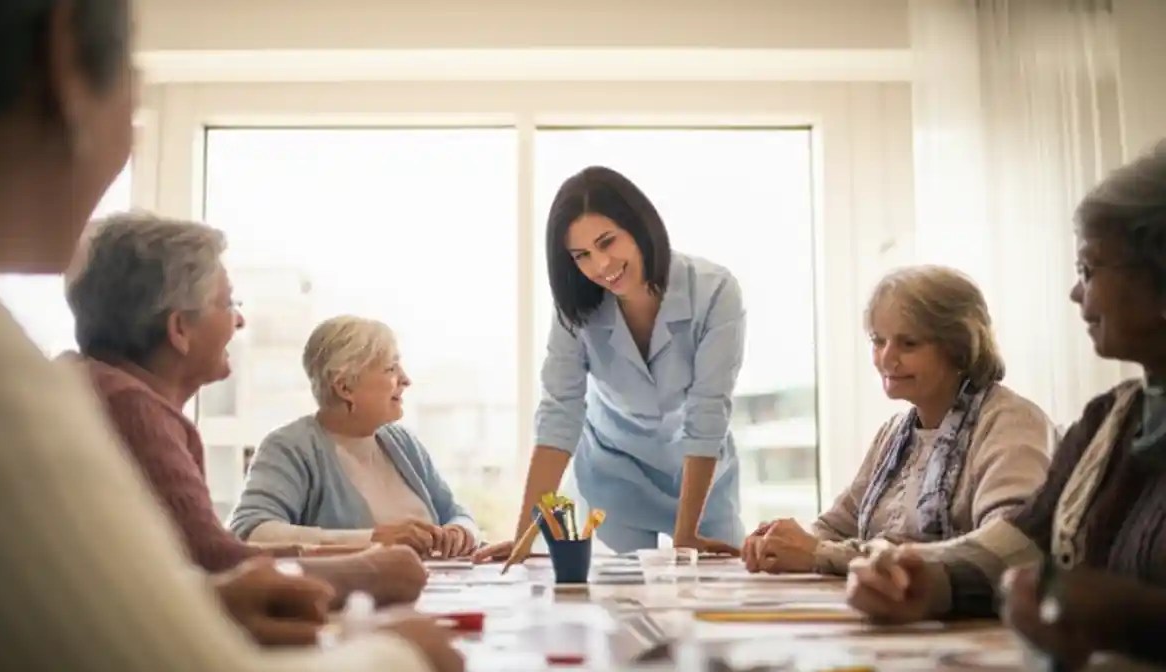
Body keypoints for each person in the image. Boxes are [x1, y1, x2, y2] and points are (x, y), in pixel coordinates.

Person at [0, 2, 462, 672]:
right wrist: (405, 662)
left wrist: (203, 603)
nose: (241, 319)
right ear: (65, 56)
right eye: (133, 79)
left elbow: (64, 609)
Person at [846, 142, 1166, 672]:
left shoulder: (1013, 419)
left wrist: (1138, 619)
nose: (1073, 292)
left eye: (1088, 268)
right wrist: (929, 579)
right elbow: (1020, 542)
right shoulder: (1108, 420)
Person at [65, 213, 427, 605]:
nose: (239, 320)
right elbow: (219, 566)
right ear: (179, 330)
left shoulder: (97, 389)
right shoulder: (130, 408)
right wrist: (370, 570)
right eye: (227, 302)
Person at [476, 166, 746, 557]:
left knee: (711, 595)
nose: (601, 265)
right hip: (615, 472)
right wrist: (524, 539)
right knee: (621, 604)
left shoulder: (715, 290)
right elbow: (559, 414)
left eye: (607, 242)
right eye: (582, 255)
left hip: (701, 475)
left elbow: (708, 410)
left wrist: (686, 537)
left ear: (639, 227)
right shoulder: (577, 307)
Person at [740, 266, 1053, 575]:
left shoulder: (1011, 423)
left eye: (909, 344)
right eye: (878, 341)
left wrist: (820, 554)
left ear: (960, 347)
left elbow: (1008, 551)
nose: (886, 358)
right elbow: (834, 529)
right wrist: (779, 542)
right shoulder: (894, 433)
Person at [231, 316, 481, 559]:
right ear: (345, 387)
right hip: (353, 599)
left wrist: (461, 533)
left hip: (433, 595)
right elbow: (252, 532)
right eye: (391, 368)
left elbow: (456, 513)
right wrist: (371, 540)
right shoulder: (289, 448)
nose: (405, 380)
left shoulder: (403, 444)